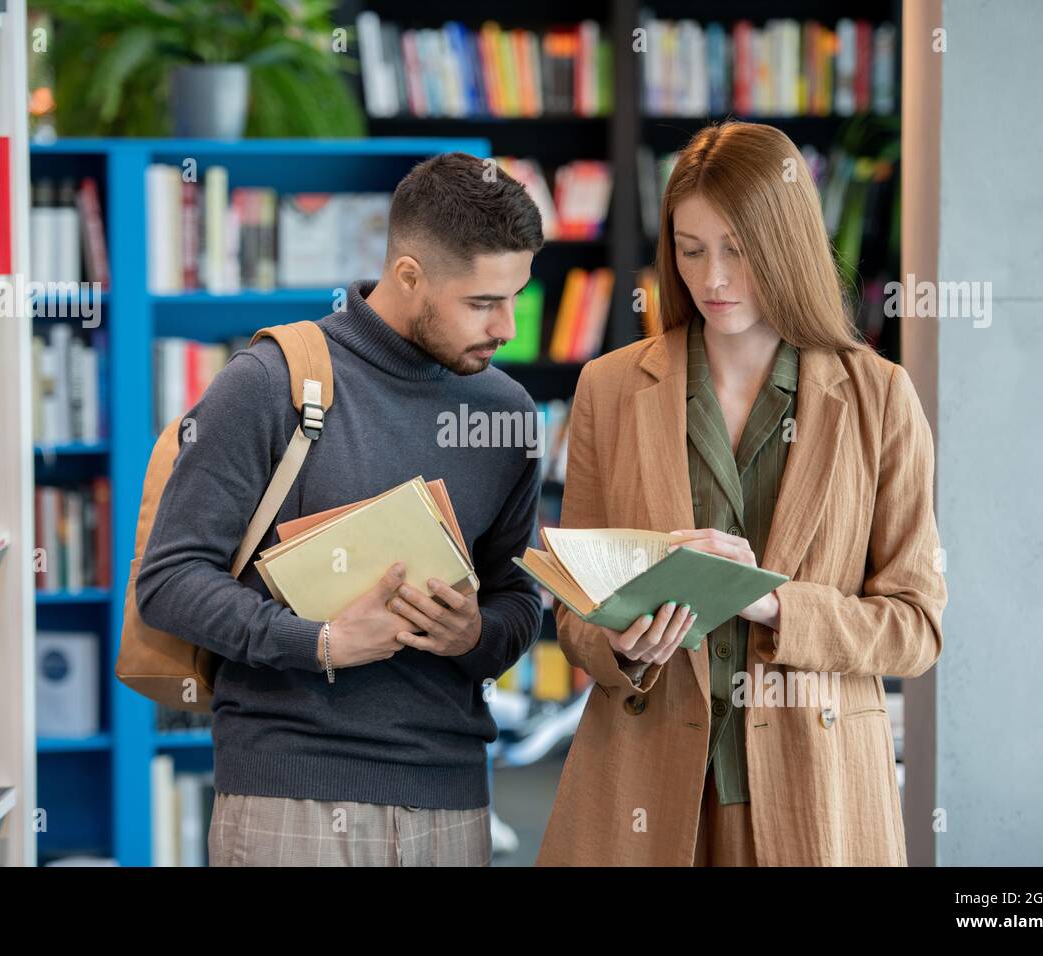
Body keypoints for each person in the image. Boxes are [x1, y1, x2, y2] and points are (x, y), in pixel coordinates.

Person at [536, 122, 946, 866]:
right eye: (691, 252)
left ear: (786, 245)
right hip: (647, 786)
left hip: (815, 795)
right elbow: (575, 611)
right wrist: (619, 643)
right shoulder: (610, 387)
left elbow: (916, 628)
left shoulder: (879, 396)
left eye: (739, 250)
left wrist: (774, 602)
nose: (714, 279)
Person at [136, 153, 545, 866]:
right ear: (409, 274)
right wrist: (319, 642)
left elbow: (519, 599)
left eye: (516, 296)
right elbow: (169, 581)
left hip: (451, 801)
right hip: (287, 796)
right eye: (483, 303)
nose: (507, 326)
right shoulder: (269, 383)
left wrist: (473, 632)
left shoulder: (508, 415)